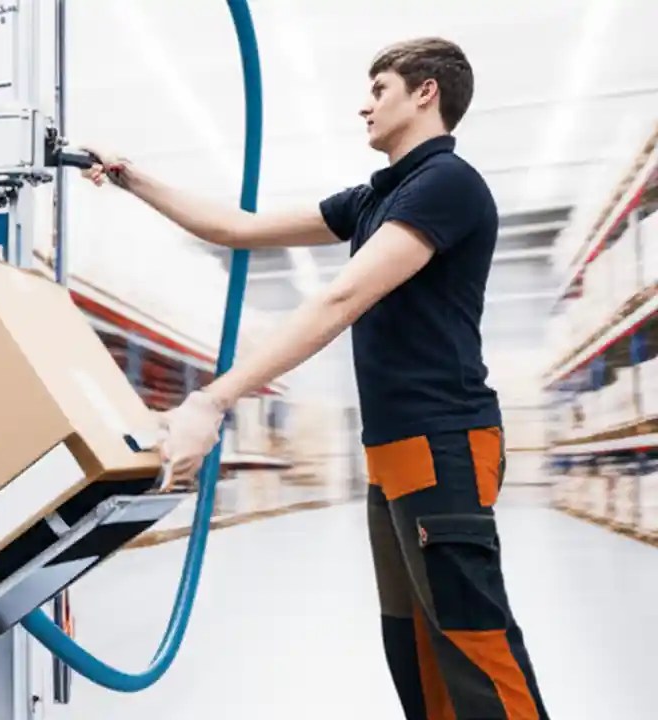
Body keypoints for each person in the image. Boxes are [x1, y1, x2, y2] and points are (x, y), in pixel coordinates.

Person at [82, 37, 549, 720]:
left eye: (379, 88)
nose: (363, 104)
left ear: (427, 93)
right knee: (413, 644)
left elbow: (340, 300)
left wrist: (213, 400)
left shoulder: (447, 185)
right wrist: (132, 177)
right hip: (392, 452)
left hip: (443, 443)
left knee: (473, 641)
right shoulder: (373, 199)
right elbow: (237, 227)